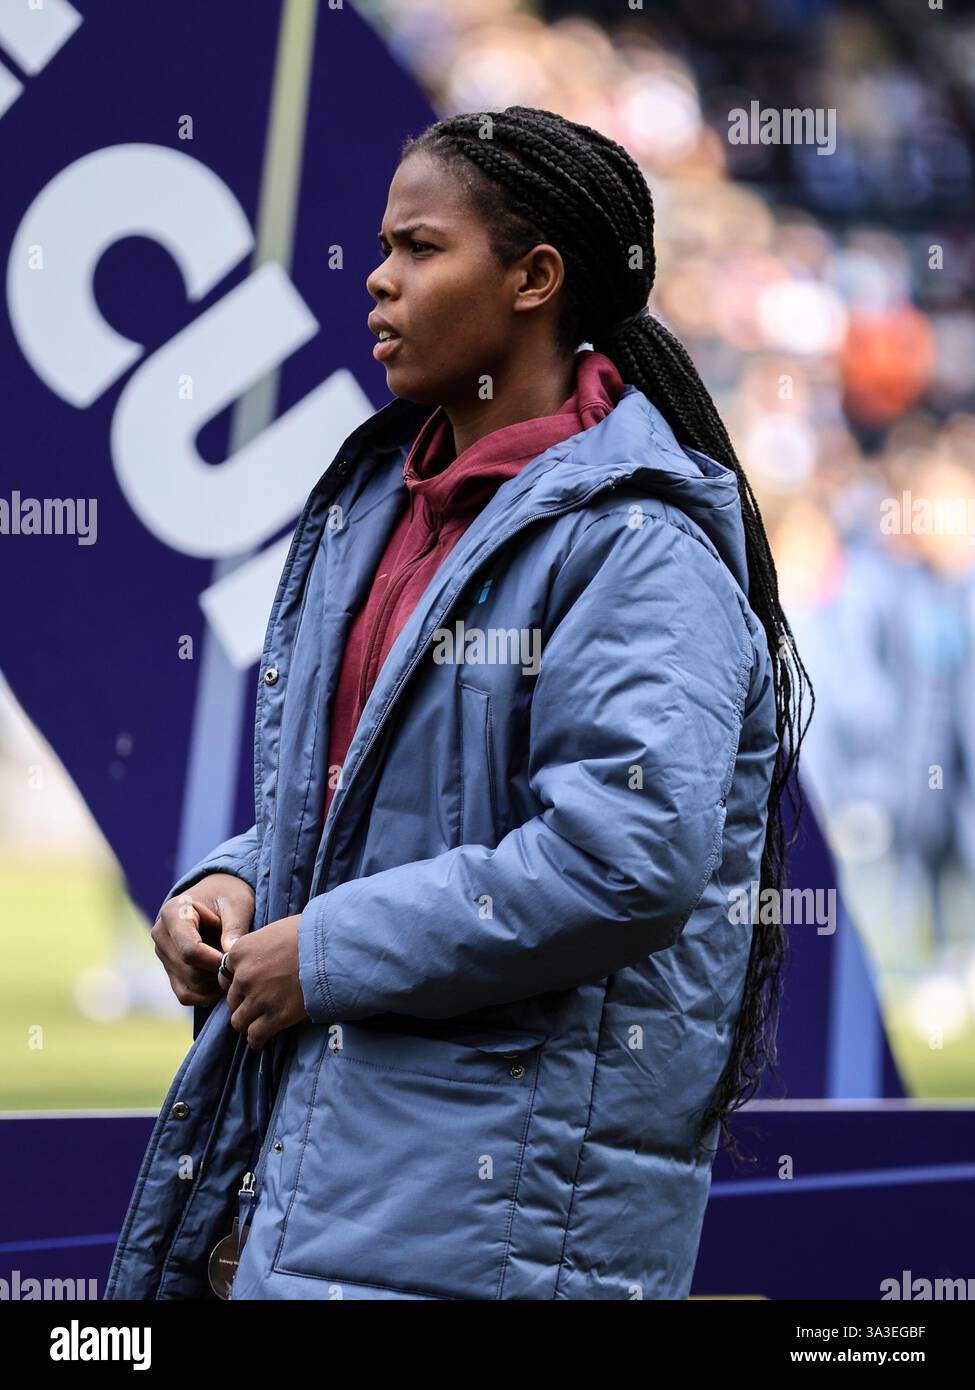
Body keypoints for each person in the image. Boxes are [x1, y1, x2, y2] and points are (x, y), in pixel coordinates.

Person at [106, 106, 812, 1302]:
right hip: (328, 1189)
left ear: (536, 278)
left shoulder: (639, 548)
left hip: (495, 1233)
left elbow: (622, 857)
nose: (376, 280)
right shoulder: (383, 504)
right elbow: (386, 805)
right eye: (384, 246)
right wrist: (233, 884)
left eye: (420, 249)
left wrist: (321, 951)